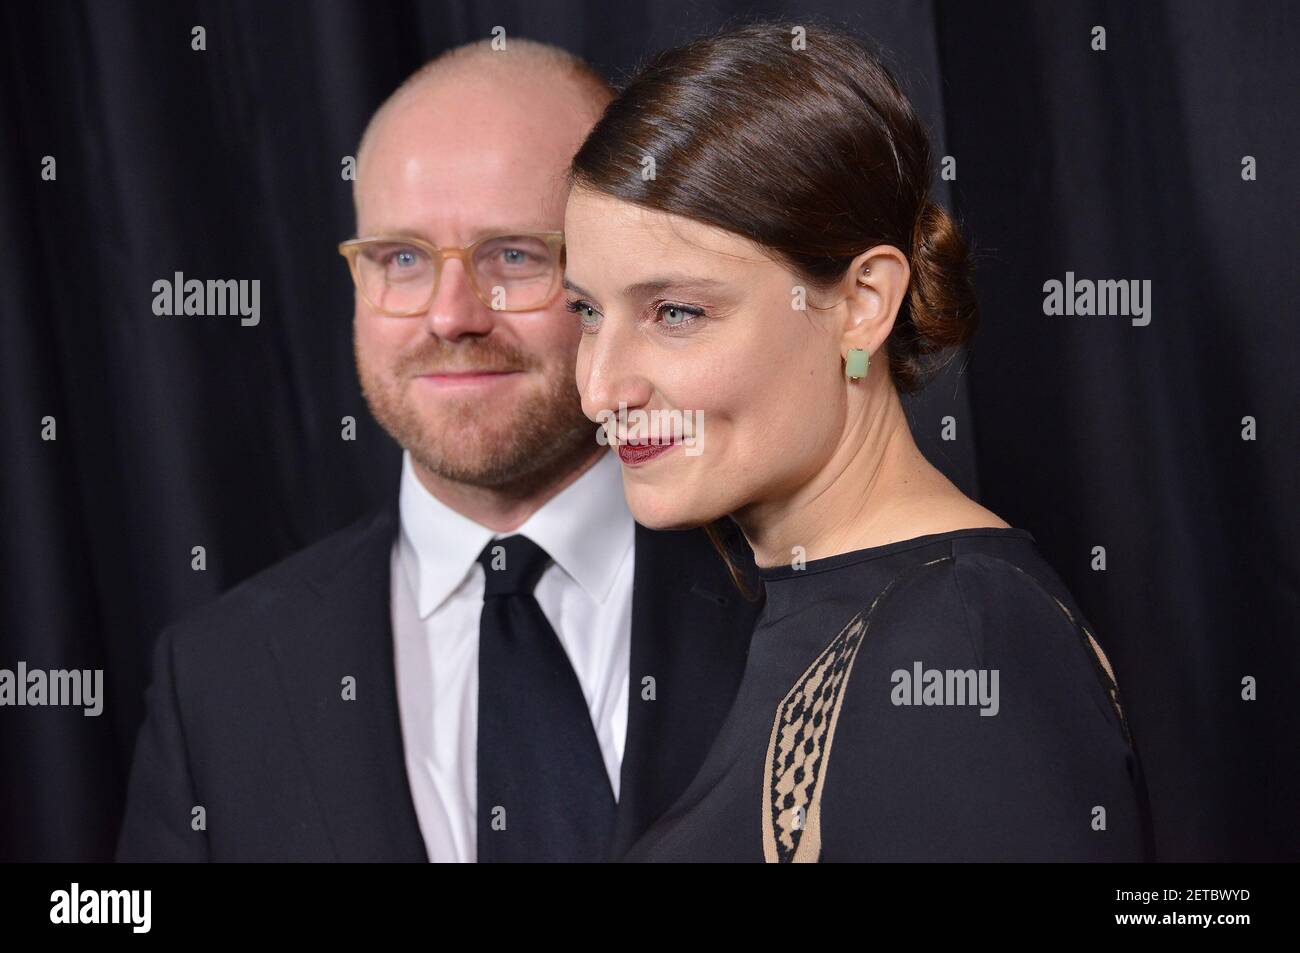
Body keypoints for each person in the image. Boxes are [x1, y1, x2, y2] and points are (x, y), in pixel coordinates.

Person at [116, 38, 761, 863]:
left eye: (514, 256)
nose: (452, 315)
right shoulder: (215, 681)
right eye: (403, 259)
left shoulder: (798, 585)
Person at [561, 21, 1156, 861]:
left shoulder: (959, 635)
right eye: (588, 311)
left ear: (864, 301)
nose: (600, 387)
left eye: (677, 312)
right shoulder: (817, 607)